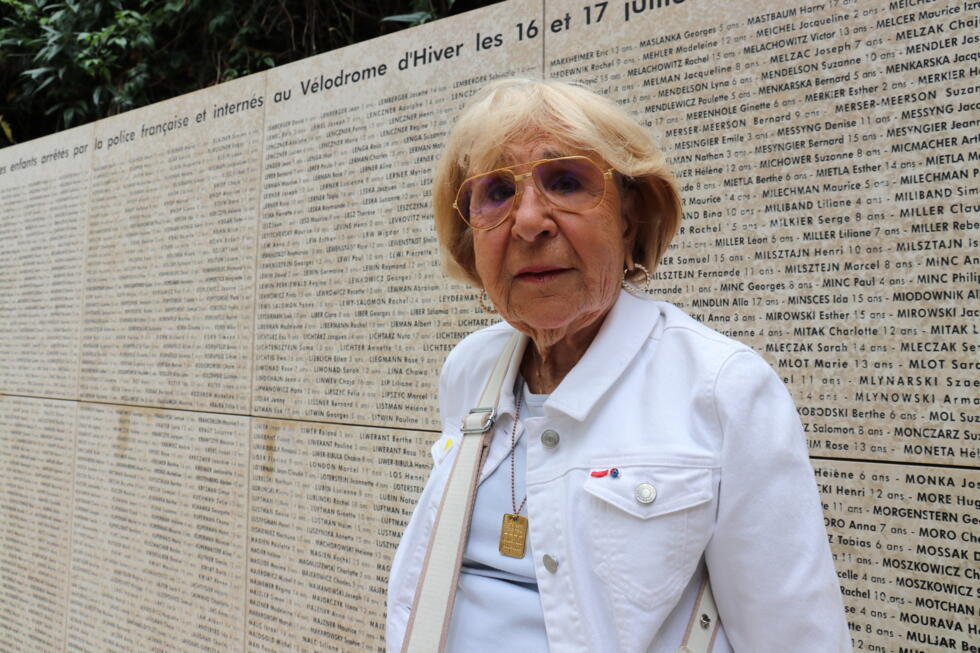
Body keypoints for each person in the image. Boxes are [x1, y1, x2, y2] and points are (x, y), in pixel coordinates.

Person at [386, 77, 851, 653]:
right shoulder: (468, 369)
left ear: (630, 215)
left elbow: (794, 635)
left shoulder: (721, 387)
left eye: (566, 182)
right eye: (498, 193)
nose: (529, 221)